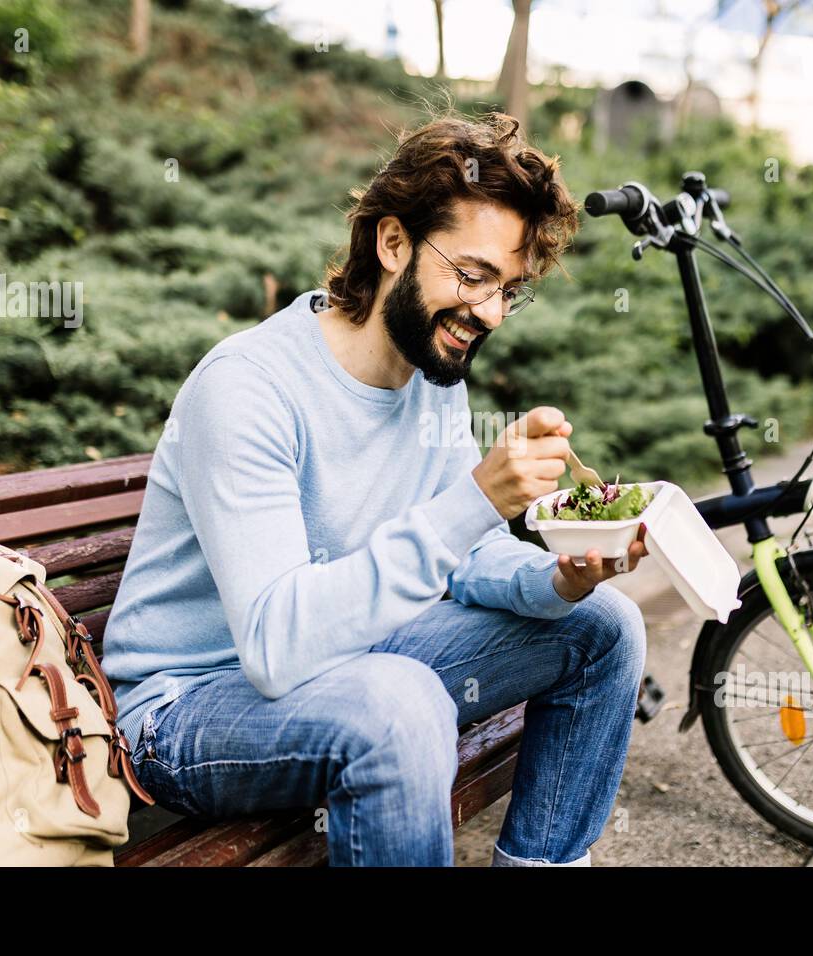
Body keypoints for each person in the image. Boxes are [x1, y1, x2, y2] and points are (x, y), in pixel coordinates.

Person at [101, 110, 650, 866]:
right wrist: (475, 500)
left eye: (509, 289)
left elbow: (467, 557)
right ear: (393, 243)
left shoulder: (430, 371)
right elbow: (275, 645)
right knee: (399, 707)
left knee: (603, 628)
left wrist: (557, 577)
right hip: (188, 708)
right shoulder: (248, 388)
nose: (489, 313)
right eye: (472, 274)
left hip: (351, 658)